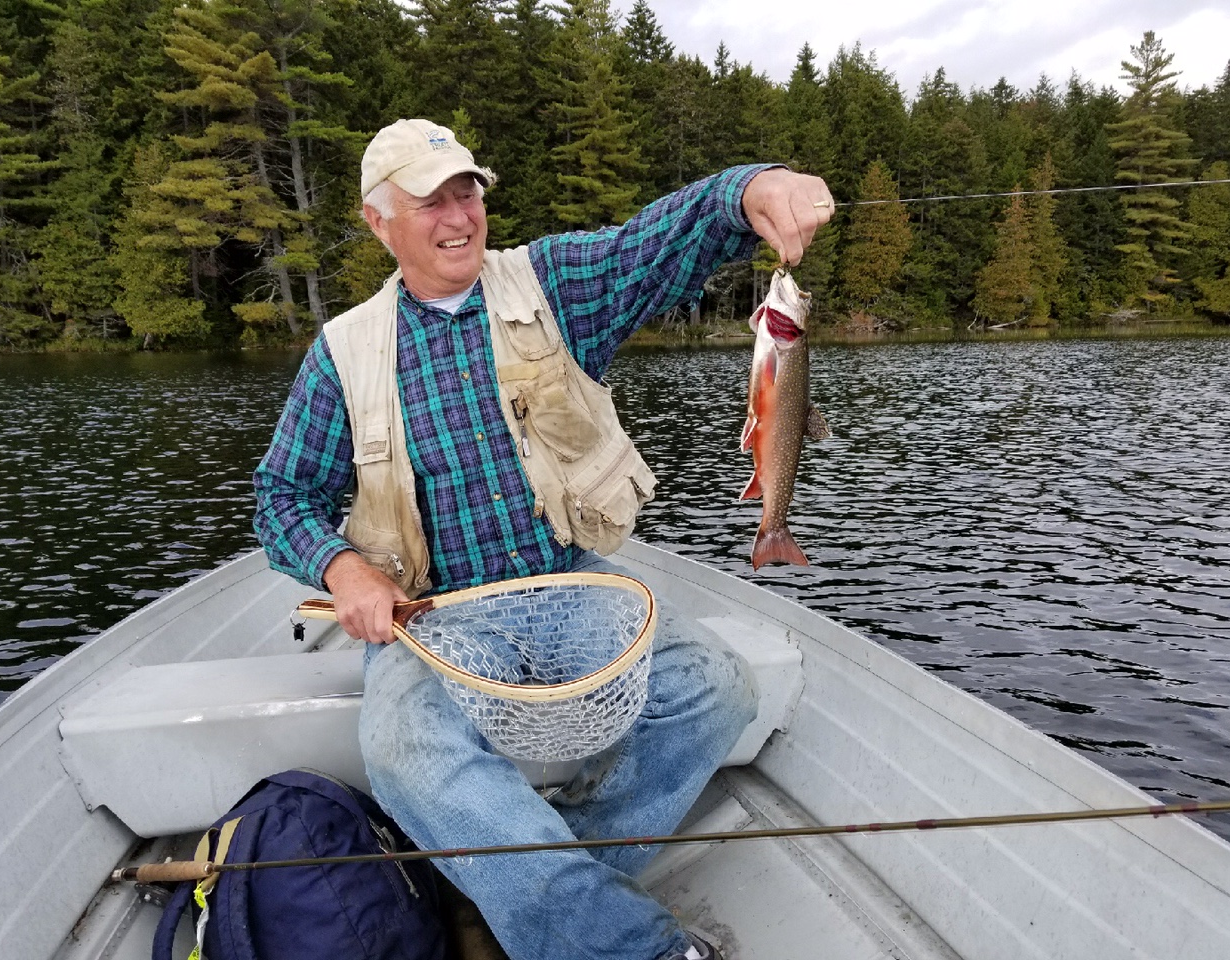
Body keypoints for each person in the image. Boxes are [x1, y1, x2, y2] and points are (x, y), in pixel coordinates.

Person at [253, 118, 835, 960]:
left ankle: (516, 893)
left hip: (569, 581)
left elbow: (660, 242)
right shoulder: (343, 351)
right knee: (405, 754)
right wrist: (343, 568)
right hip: (433, 612)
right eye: (430, 202)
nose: (459, 216)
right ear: (380, 223)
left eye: (467, 191)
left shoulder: (552, 283)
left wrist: (750, 190)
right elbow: (282, 496)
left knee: (715, 689)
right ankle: (631, 944)